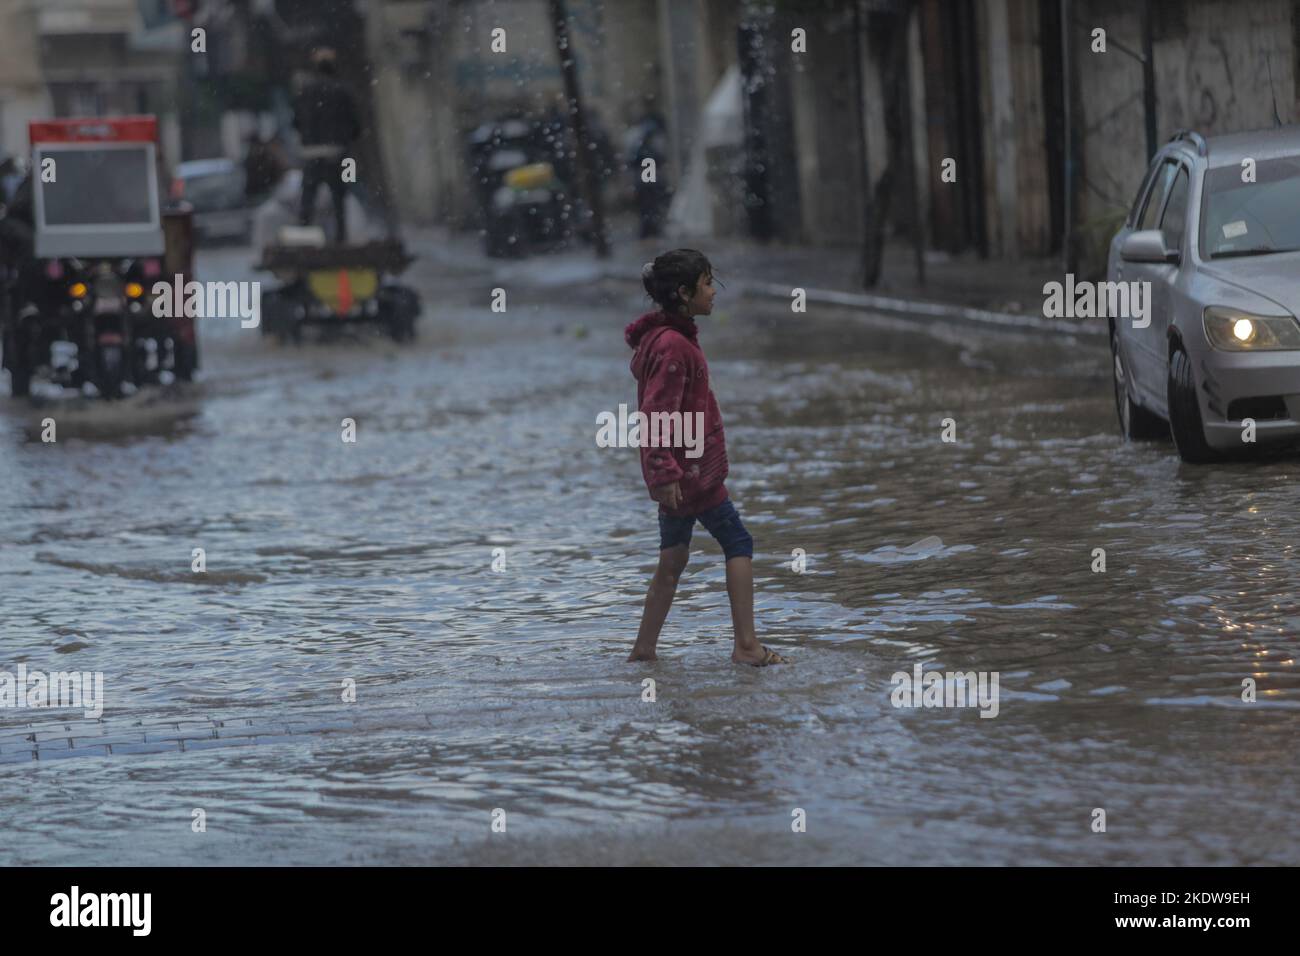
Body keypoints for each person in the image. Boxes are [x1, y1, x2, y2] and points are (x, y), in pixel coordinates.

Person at [625, 250, 788, 666]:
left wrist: (665, 474)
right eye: (707, 284)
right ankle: (747, 645)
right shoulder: (674, 347)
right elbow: (656, 414)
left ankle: (644, 650)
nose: (714, 292)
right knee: (738, 541)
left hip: (681, 474)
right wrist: (664, 472)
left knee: (673, 558)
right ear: (684, 293)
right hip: (692, 473)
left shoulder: (665, 340)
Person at [293, 47, 360, 243]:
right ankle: (341, 240)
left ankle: (303, 239)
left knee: (308, 199)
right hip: (337, 153)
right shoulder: (342, 90)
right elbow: (355, 125)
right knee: (339, 198)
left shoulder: (304, 92)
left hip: (310, 153)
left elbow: (296, 122)